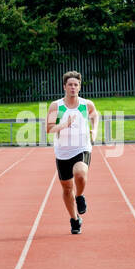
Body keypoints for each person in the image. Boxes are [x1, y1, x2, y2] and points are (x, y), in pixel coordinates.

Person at [46, 71, 98, 234]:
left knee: (80, 173)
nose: (73, 87)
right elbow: (49, 128)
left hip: (82, 147)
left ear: (79, 87)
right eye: (70, 84)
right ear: (64, 87)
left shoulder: (86, 104)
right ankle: (75, 219)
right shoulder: (56, 106)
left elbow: (95, 115)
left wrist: (94, 130)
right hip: (62, 152)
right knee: (67, 188)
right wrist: (64, 125)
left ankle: (80, 196)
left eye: (76, 84)